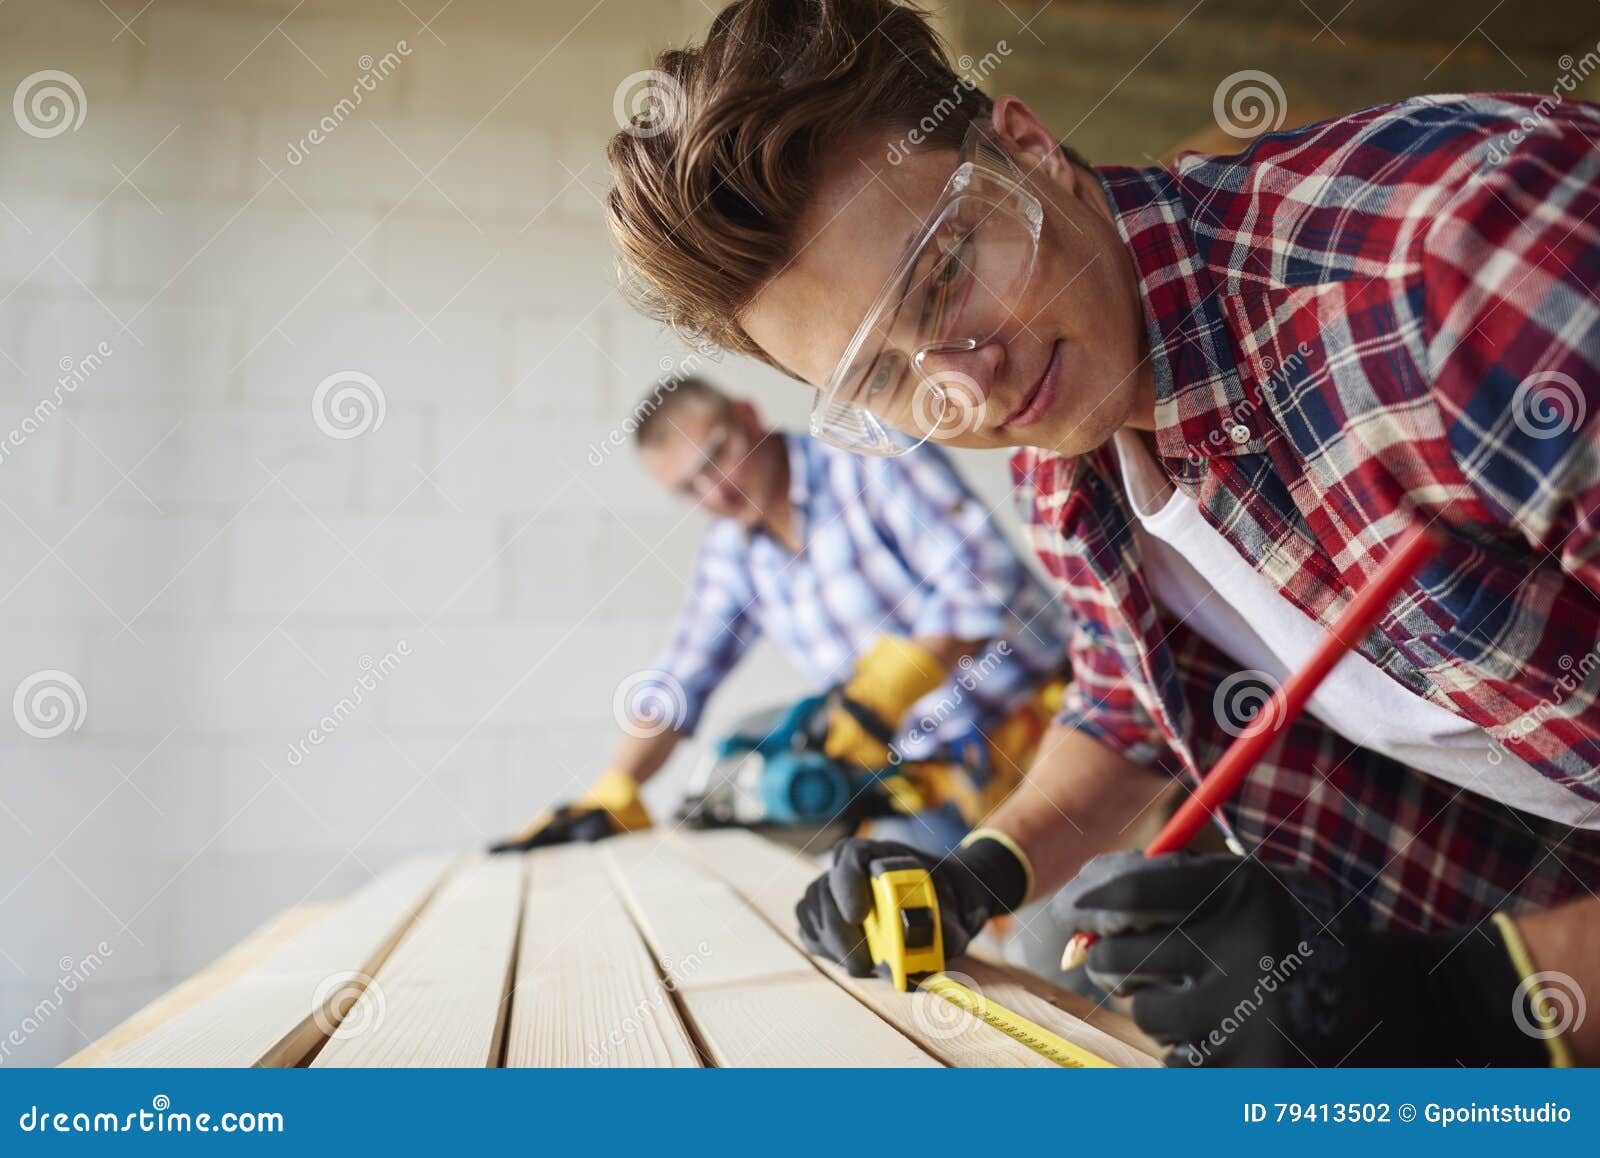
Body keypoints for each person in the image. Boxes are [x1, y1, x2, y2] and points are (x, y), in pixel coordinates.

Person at [603, 0, 1600, 1065]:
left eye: (943, 274)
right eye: (882, 375)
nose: (964, 379)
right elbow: (1127, 708)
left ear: (1028, 150)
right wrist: (981, 869)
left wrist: (1474, 1002)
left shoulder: (1464, 269)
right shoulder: (1062, 456)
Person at [488, 376, 1071, 856]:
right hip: (931, 785)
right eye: (690, 489)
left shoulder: (866, 454)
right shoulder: (731, 552)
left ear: (749, 415)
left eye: (715, 457)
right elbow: (681, 675)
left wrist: (888, 687)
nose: (714, 493)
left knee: (1067, 959)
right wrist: (615, 789)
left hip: (1045, 737)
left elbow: (985, 574)